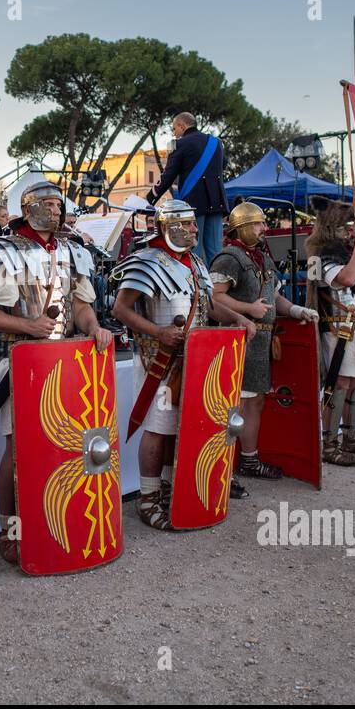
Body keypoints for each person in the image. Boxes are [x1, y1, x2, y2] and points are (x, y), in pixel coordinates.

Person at [0, 177, 112, 561]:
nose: (56, 210)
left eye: (58, 204)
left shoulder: (73, 251)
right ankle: (10, 530)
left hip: (65, 362)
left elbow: (80, 306)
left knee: (62, 446)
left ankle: (53, 519)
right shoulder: (4, 251)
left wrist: (94, 326)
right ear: (29, 207)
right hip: (20, 361)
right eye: (48, 204)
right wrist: (27, 326)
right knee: (16, 451)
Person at [112, 199, 243, 527]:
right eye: (187, 224)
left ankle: (171, 488)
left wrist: (240, 320)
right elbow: (120, 310)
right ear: (169, 226)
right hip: (159, 361)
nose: (195, 229)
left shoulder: (196, 263)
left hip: (194, 363)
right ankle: (148, 497)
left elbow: (209, 307)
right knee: (158, 428)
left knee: (182, 428)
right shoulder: (146, 261)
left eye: (194, 224)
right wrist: (159, 331)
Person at [210, 201, 317, 476]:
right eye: (258, 224)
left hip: (262, 343)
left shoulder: (263, 258)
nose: (264, 229)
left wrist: (295, 310)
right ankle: (226, 470)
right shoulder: (228, 259)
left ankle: (249, 460)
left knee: (255, 401)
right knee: (236, 405)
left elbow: (274, 298)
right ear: (242, 227)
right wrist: (249, 310)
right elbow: (214, 298)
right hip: (238, 341)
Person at [306, 198, 355, 464]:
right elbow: (347, 279)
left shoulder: (350, 251)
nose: (353, 232)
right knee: (338, 384)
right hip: (336, 329)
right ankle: (328, 444)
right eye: (348, 227)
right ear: (333, 227)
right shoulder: (321, 252)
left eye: (354, 228)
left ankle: (350, 437)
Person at [145, 112, 229, 266]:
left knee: (193, 249)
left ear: (181, 126)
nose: (174, 133)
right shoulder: (215, 143)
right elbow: (223, 165)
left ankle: (199, 288)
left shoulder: (181, 144)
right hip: (216, 201)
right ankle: (217, 286)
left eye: (174, 129)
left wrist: (150, 198)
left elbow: (168, 175)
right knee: (216, 252)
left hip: (194, 202)